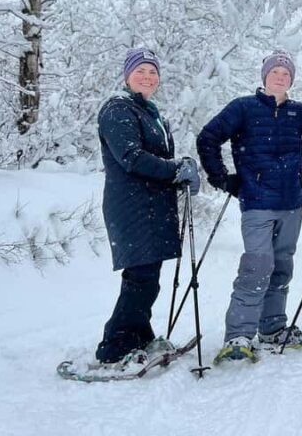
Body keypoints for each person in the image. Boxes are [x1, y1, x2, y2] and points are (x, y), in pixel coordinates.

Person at [196, 50, 302, 362]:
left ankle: (272, 329)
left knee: (281, 267)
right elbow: (208, 138)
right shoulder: (244, 107)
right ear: (264, 76)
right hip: (256, 202)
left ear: (291, 79)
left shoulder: (297, 112)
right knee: (257, 265)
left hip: (291, 204)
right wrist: (222, 179)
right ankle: (239, 335)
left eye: (286, 73)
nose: (280, 77)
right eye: (275, 72)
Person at [95, 48, 201, 365]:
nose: (147, 77)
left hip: (153, 206)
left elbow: (159, 160)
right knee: (140, 277)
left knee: (148, 277)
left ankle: (139, 336)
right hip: (131, 206)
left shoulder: (151, 113)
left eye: (153, 72)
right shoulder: (117, 109)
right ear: (127, 75)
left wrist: (182, 170)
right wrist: (175, 169)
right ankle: (115, 346)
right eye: (140, 71)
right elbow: (131, 157)